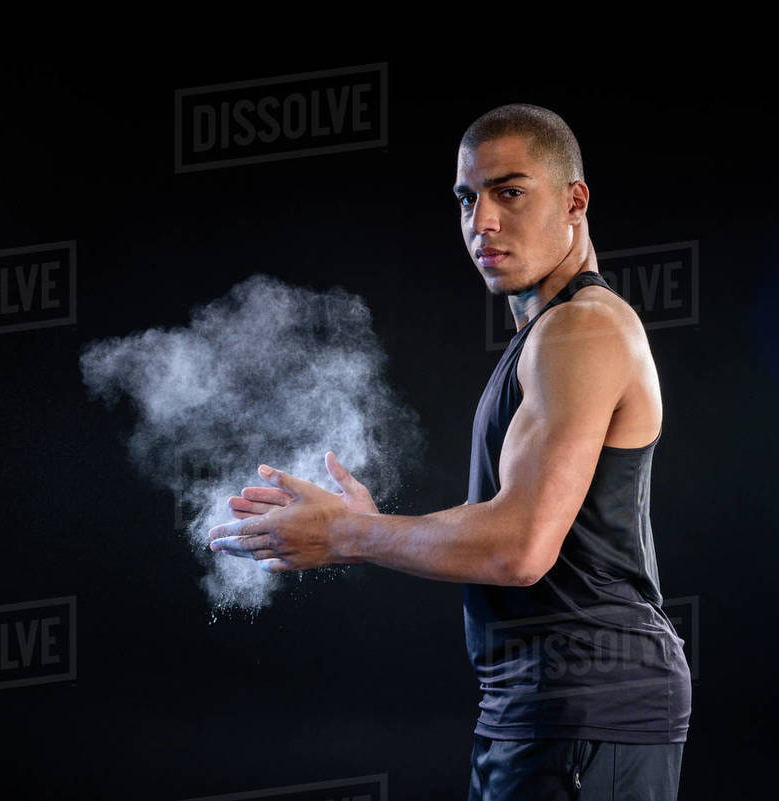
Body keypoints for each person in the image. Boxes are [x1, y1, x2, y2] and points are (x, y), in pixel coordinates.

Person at [208, 103, 690, 800]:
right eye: (467, 198)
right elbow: (502, 520)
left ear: (574, 201)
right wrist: (366, 528)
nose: (481, 221)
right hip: (536, 710)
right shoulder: (550, 336)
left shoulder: (582, 330)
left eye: (510, 192)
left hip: (590, 706)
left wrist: (349, 532)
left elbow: (520, 548)